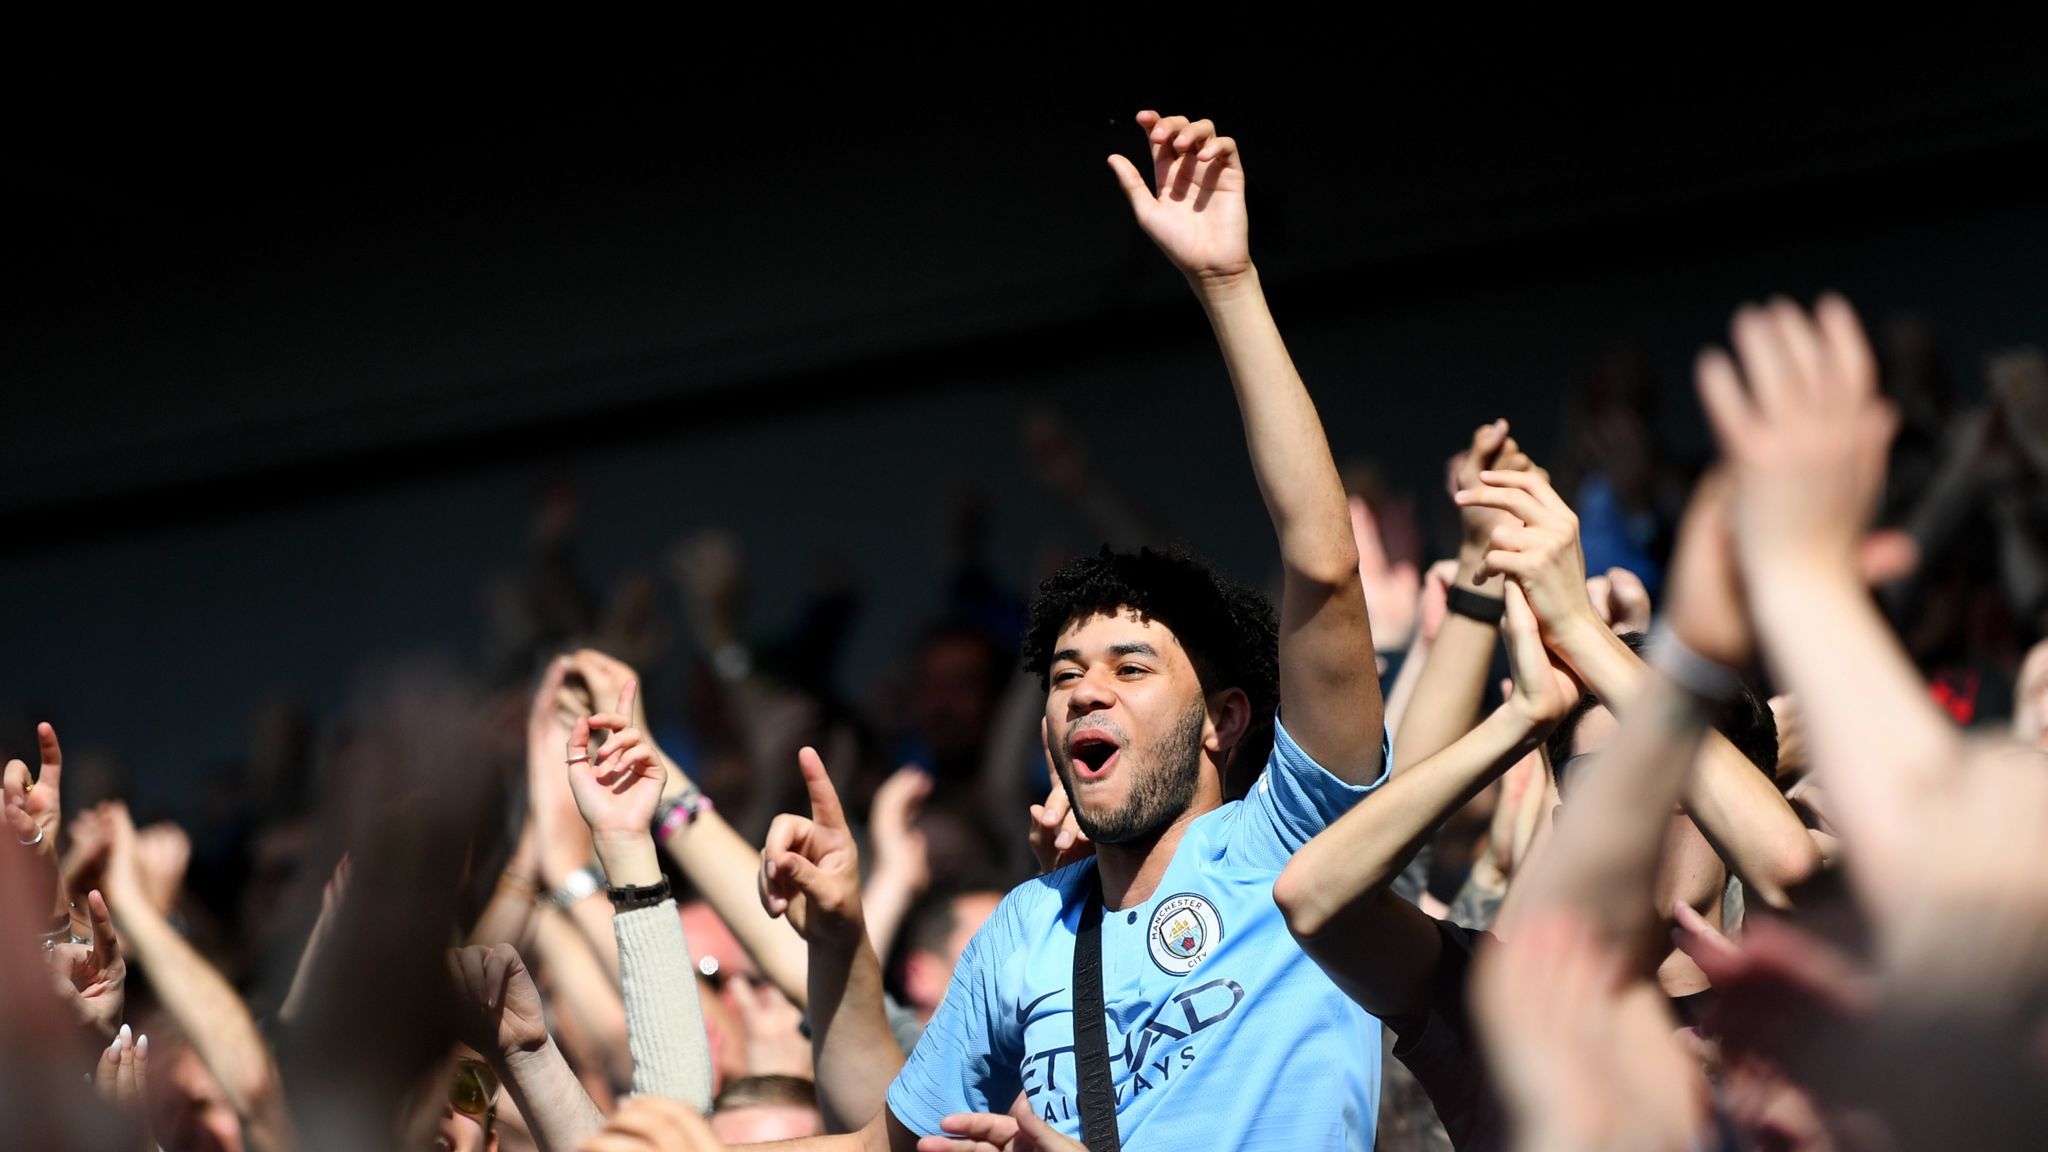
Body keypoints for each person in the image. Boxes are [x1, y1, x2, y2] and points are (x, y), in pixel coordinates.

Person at [754, 108, 1390, 1152]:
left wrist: (1226, 286)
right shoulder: (1024, 930)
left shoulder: (1294, 843)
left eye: (1130, 667)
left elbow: (1321, 568)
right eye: (1062, 674)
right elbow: (886, 1143)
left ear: (1223, 720)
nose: (1083, 692)